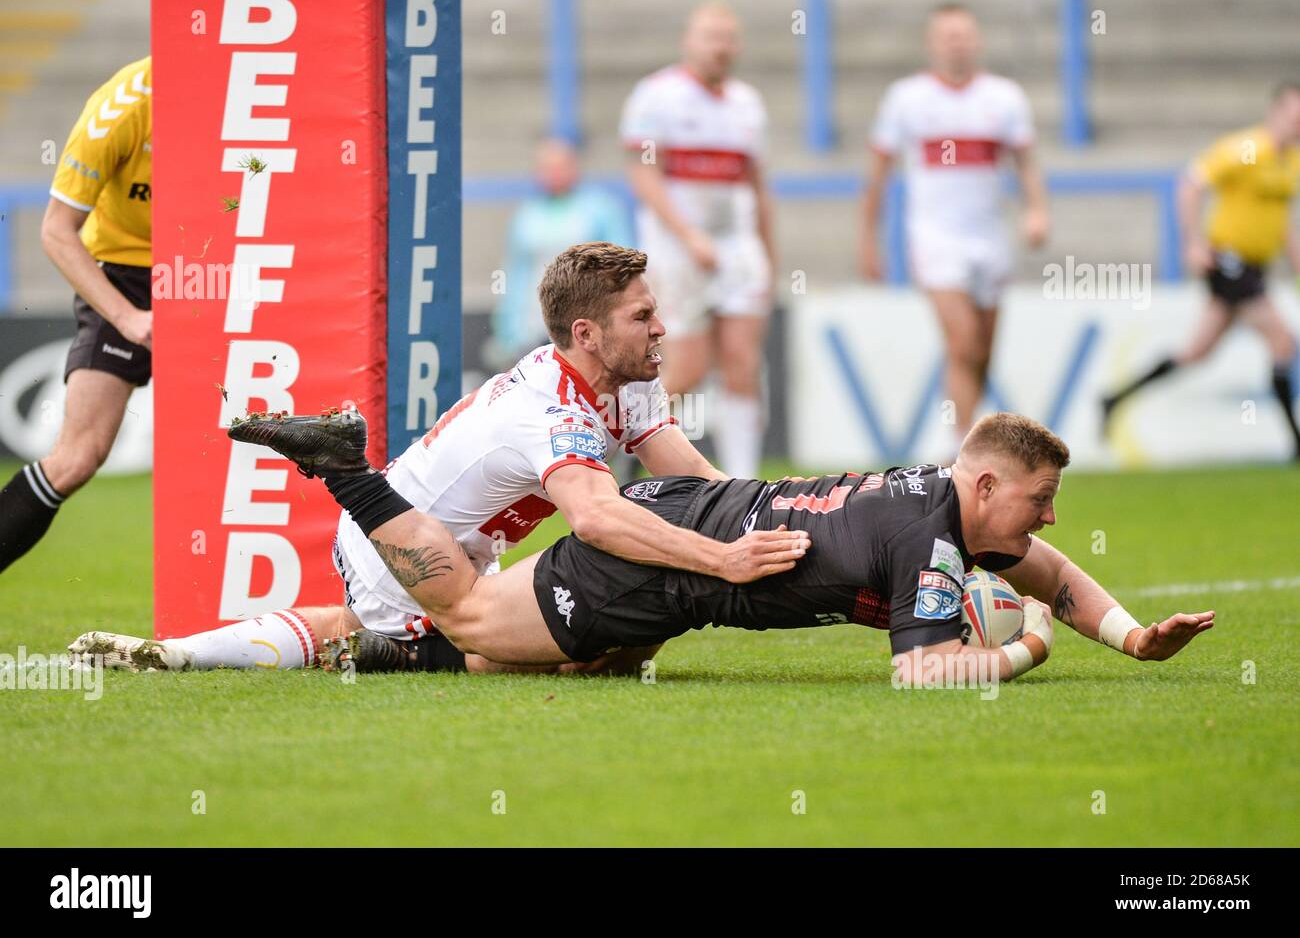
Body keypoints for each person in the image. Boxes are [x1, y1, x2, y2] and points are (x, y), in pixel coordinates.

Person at [69, 243, 808, 675]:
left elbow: (702, 483)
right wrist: (724, 562)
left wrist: (791, 507)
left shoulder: (620, 378)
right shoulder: (550, 406)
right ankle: (401, 652)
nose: (661, 328)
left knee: (359, 633)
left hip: (450, 542)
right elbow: (596, 519)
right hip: (397, 545)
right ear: (587, 332)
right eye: (643, 316)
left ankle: (177, 655)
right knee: (564, 648)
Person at [200, 411, 1213, 685]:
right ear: (985, 484)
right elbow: (926, 673)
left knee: (584, 665)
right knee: (467, 611)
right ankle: (342, 466)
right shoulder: (925, 536)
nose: (1047, 520)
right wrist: (1027, 648)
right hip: (656, 565)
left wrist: (1127, 636)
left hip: (691, 511)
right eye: (1039, 499)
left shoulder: (936, 501)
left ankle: (385, 655)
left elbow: (1047, 570)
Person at [860, 4, 1049, 459]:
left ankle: (964, 439)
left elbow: (1025, 161)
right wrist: (868, 238)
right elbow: (877, 175)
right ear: (932, 43)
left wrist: (1037, 209)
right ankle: (959, 449)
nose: (956, 43)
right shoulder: (907, 98)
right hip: (935, 237)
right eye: (948, 36)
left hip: (989, 238)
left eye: (964, 35)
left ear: (977, 41)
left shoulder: (1004, 98)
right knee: (962, 340)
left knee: (982, 349)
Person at [0, 57, 152, 573]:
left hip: (217, 268)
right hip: (123, 275)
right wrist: (130, 318)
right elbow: (56, 231)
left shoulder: (247, 92)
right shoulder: (123, 105)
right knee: (77, 458)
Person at [1102, 81, 1300, 458]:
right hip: (1228, 261)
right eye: (1295, 117)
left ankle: (1113, 398)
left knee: (1197, 352)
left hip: (1254, 267)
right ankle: (1296, 443)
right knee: (1282, 340)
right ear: (1275, 114)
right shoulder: (1246, 150)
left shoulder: (1292, 162)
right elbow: (1191, 183)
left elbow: (1282, 220)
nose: (1299, 126)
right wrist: (1193, 243)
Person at [620, 0, 775, 479]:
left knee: (743, 363)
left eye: (728, 37)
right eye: (711, 37)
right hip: (675, 247)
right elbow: (642, 175)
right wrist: (688, 237)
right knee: (684, 369)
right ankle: (629, 454)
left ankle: (743, 484)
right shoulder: (656, 96)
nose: (720, 47)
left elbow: (756, 184)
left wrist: (769, 254)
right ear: (690, 41)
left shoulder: (748, 103)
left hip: (736, 247)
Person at [490, 138, 631, 365]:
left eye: (560, 167)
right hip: (533, 328)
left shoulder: (602, 209)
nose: (554, 174)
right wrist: (506, 328)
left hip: (586, 325)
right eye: (546, 168)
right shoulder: (527, 214)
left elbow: (621, 268)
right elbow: (515, 272)